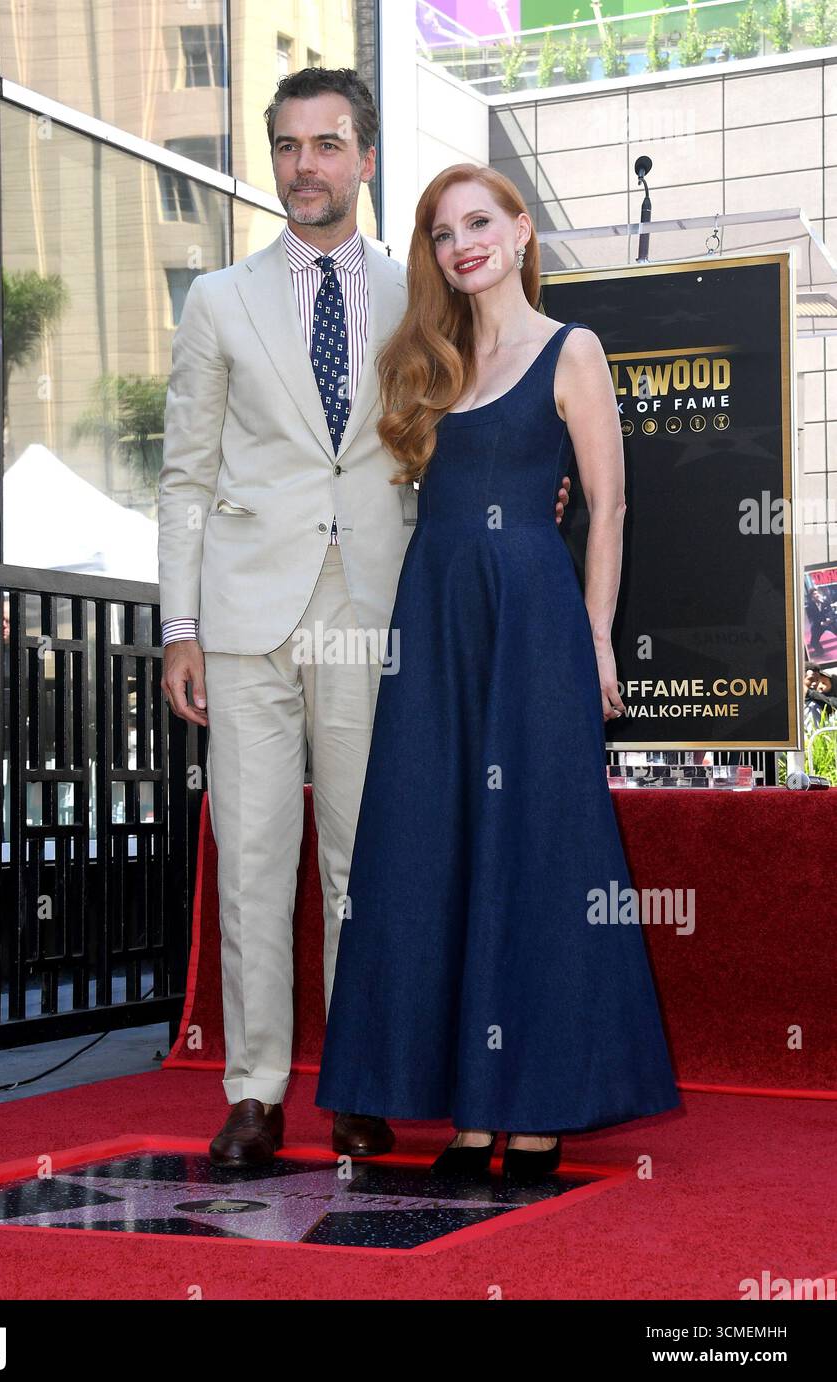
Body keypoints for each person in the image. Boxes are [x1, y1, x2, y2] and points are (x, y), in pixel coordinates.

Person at [157, 71, 574, 1168]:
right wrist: (178, 628)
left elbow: (494, 401)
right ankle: (252, 1092)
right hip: (244, 616)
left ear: (364, 159)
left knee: (369, 862)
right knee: (250, 858)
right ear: (272, 159)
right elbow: (184, 478)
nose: (307, 165)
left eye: (328, 144)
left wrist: (541, 486)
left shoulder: (419, 291)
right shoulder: (215, 300)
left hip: (384, 611)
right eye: (287, 145)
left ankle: (360, 1080)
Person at [315, 163, 682, 1183]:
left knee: (535, 854)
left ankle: (532, 1111)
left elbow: (605, 507)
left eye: (479, 222)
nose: (461, 242)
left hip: (530, 621)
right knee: (436, 846)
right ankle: (469, 1114)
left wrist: (597, 637)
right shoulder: (425, 363)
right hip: (433, 624)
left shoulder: (574, 350)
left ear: (521, 231)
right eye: (440, 231)